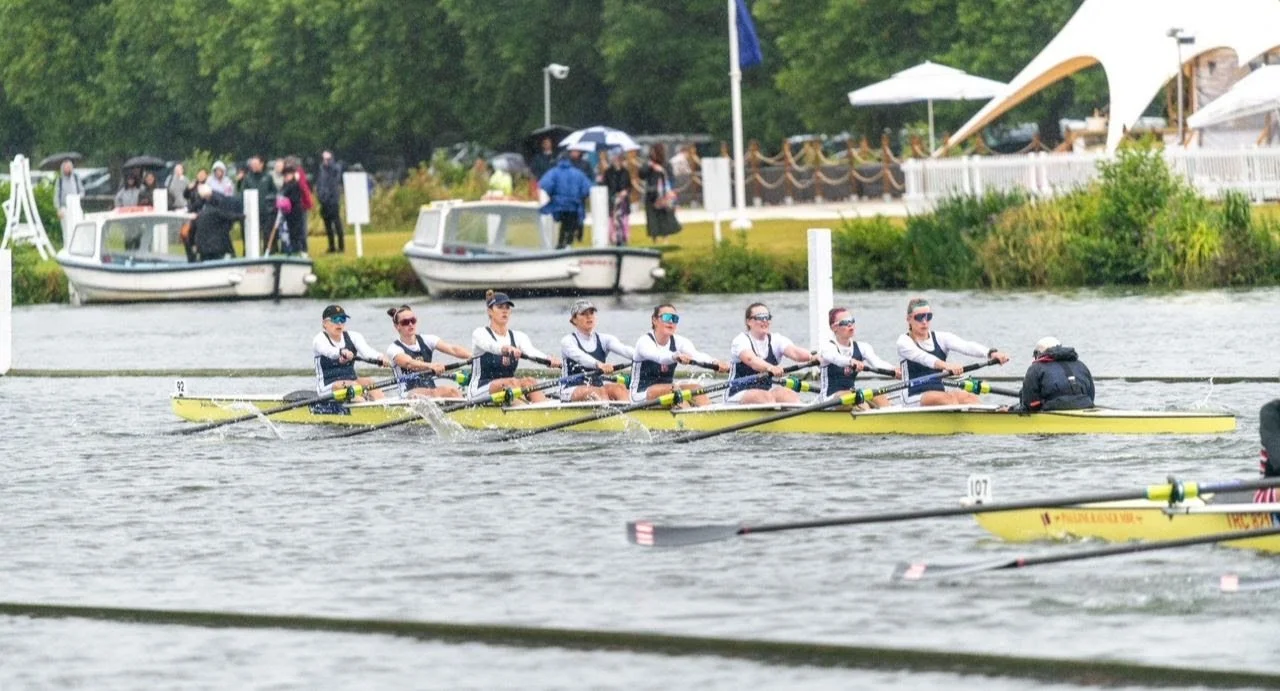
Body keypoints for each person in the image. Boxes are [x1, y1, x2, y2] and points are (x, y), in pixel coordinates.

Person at [895, 297, 1009, 407]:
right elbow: (924, 358)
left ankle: (983, 423)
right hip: (912, 396)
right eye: (919, 317)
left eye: (928, 316)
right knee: (948, 399)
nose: (925, 321)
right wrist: (947, 366)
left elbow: (966, 346)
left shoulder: (941, 338)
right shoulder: (904, 342)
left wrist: (991, 353)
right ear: (909, 319)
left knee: (968, 397)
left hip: (939, 394)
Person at [469, 290, 561, 404]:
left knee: (529, 381)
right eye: (500, 307)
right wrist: (506, 349)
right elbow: (491, 346)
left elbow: (531, 351)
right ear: (490, 311)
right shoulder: (480, 333)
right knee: (511, 383)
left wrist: (548, 359)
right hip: (479, 390)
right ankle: (526, 413)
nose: (505, 311)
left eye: (507, 307)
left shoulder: (518, 336)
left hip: (508, 388)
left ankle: (546, 409)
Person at [630, 303, 728, 406]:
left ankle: (709, 415)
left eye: (675, 318)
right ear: (654, 320)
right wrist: (675, 356)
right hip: (640, 396)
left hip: (667, 392)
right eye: (667, 317)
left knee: (696, 389)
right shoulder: (644, 342)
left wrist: (715, 362)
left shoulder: (679, 341)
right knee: (673, 390)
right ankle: (688, 416)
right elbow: (659, 356)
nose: (671, 321)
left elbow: (696, 355)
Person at [725, 302, 816, 404]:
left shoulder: (776, 339)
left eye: (767, 317)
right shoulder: (741, 340)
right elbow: (751, 360)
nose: (765, 321)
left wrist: (812, 356)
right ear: (749, 321)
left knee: (787, 394)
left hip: (764, 394)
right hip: (737, 395)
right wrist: (770, 368)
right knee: (764, 397)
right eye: (760, 317)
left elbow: (795, 352)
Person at [818, 307, 900, 408]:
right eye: (845, 322)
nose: (850, 325)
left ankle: (890, 418)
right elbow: (836, 359)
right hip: (828, 400)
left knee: (880, 397)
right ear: (834, 328)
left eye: (852, 321)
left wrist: (895, 370)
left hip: (851, 395)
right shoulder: (827, 347)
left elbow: (877, 363)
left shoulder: (862, 347)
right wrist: (850, 361)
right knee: (860, 403)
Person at [385, 304, 472, 399]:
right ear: (397, 326)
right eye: (405, 322)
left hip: (431, 392)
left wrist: (473, 356)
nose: (410, 324)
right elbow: (408, 363)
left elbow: (453, 349)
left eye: (413, 320)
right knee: (440, 392)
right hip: (408, 394)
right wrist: (431, 366)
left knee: (454, 392)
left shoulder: (428, 340)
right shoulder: (393, 349)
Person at [559, 299, 635, 402]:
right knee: (598, 392)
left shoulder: (605, 340)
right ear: (574, 320)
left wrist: (643, 357)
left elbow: (625, 350)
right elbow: (581, 357)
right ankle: (610, 416)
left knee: (620, 388)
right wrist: (599, 365)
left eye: (591, 313)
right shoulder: (567, 341)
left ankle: (631, 415)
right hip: (570, 389)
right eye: (583, 314)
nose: (589, 316)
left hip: (597, 388)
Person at [313, 304, 390, 402]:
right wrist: (341, 352)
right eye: (335, 319)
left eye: (343, 319)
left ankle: (384, 405)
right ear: (324, 323)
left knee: (369, 382)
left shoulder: (354, 336)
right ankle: (362, 404)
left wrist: (380, 357)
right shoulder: (319, 339)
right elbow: (330, 352)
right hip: (328, 387)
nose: (340, 323)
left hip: (352, 382)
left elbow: (367, 352)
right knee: (354, 386)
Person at [1009, 337, 1095, 412]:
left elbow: (1030, 404)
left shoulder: (1036, 367)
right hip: (1085, 405)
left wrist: (1014, 408)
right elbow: (1091, 395)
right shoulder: (1081, 365)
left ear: (1038, 353)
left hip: (1053, 408)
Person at [539, 154, 592, 249]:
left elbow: (544, 184)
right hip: (574, 206)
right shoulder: (578, 173)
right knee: (570, 225)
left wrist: (552, 194)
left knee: (563, 224)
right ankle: (568, 244)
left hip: (558, 205)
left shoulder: (554, 172)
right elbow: (587, 188)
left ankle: (560, 244)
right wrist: (580, 196)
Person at [641, 143, 681, 243]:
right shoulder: (649, 164)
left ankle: (665, 237)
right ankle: (654, 237)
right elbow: (641, 175)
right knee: (652, 217)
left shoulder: (667, 164)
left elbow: (671, 178)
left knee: (665, 217)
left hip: (664, 194)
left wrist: (672, 191)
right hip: (651, 193)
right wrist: (649, 167)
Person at [601, 149, 632, 246]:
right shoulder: (608, 172)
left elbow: (629, 186)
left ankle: (624, 237)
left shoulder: (625, 172)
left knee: (624, 219)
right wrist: (612, 194)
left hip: (623, 201)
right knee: (612, 220)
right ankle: (612, 237)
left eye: (618, 158)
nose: (616, 160)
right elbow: (604, 186)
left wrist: (625, 192)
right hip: (612, 200)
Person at [317, 150, 345, 253]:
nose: (325, 161)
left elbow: (336, 171)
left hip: (333, 201)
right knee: (328, 226)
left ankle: (341, 247)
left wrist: (330, 162)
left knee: (337, 225)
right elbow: (320, 184)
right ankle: (332, 246)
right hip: (324, 202)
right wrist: (320, 197)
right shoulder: (321, 170)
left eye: (327, 159)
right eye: (324, 159)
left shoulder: (335, 169)